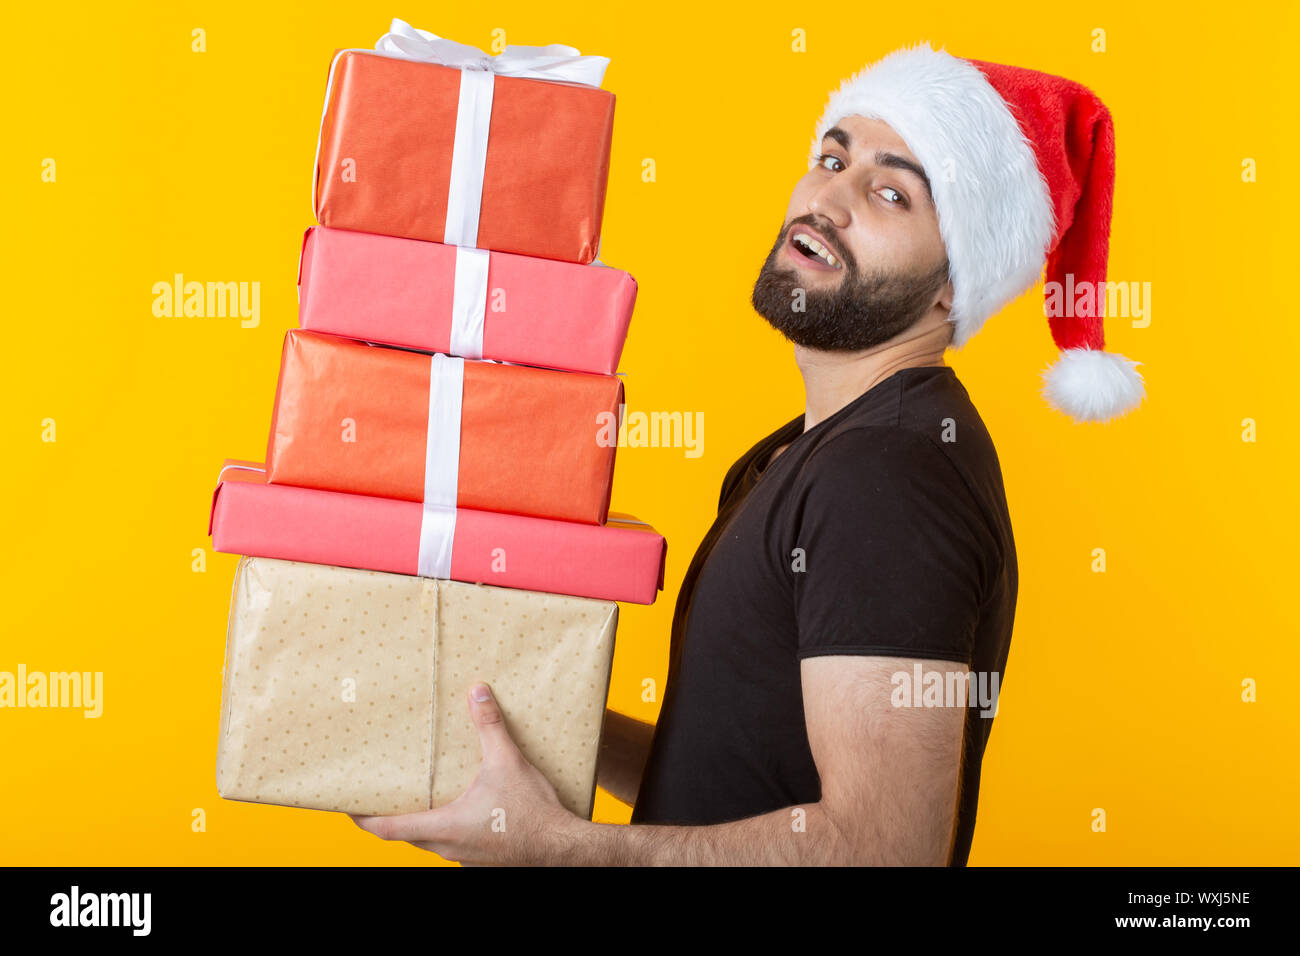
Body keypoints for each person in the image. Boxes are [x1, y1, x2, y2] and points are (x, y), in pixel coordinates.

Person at [351, 42, 1145, 866]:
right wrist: (506, 746)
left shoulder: (888, 475)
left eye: (889, 192)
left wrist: (558, 847)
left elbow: (884, 850)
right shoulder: (807, 453)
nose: (827, 200)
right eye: (831, 157)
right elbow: (734, 772)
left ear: (954, 283)